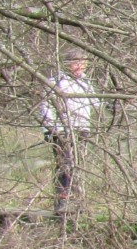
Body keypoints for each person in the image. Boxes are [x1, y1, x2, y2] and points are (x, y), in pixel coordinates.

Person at [37, 46, 99, 215]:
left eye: (83, 63)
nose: (80, 66)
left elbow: (96, 104)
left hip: (81, 129)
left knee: (78, 165)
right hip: (61, 131)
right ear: (67, 64)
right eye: (76, 63)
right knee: (64, 165)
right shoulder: (56, 83)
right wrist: (51, 130)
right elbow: (45, 108)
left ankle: (78, 200)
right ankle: (62, 200)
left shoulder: (86, 83)